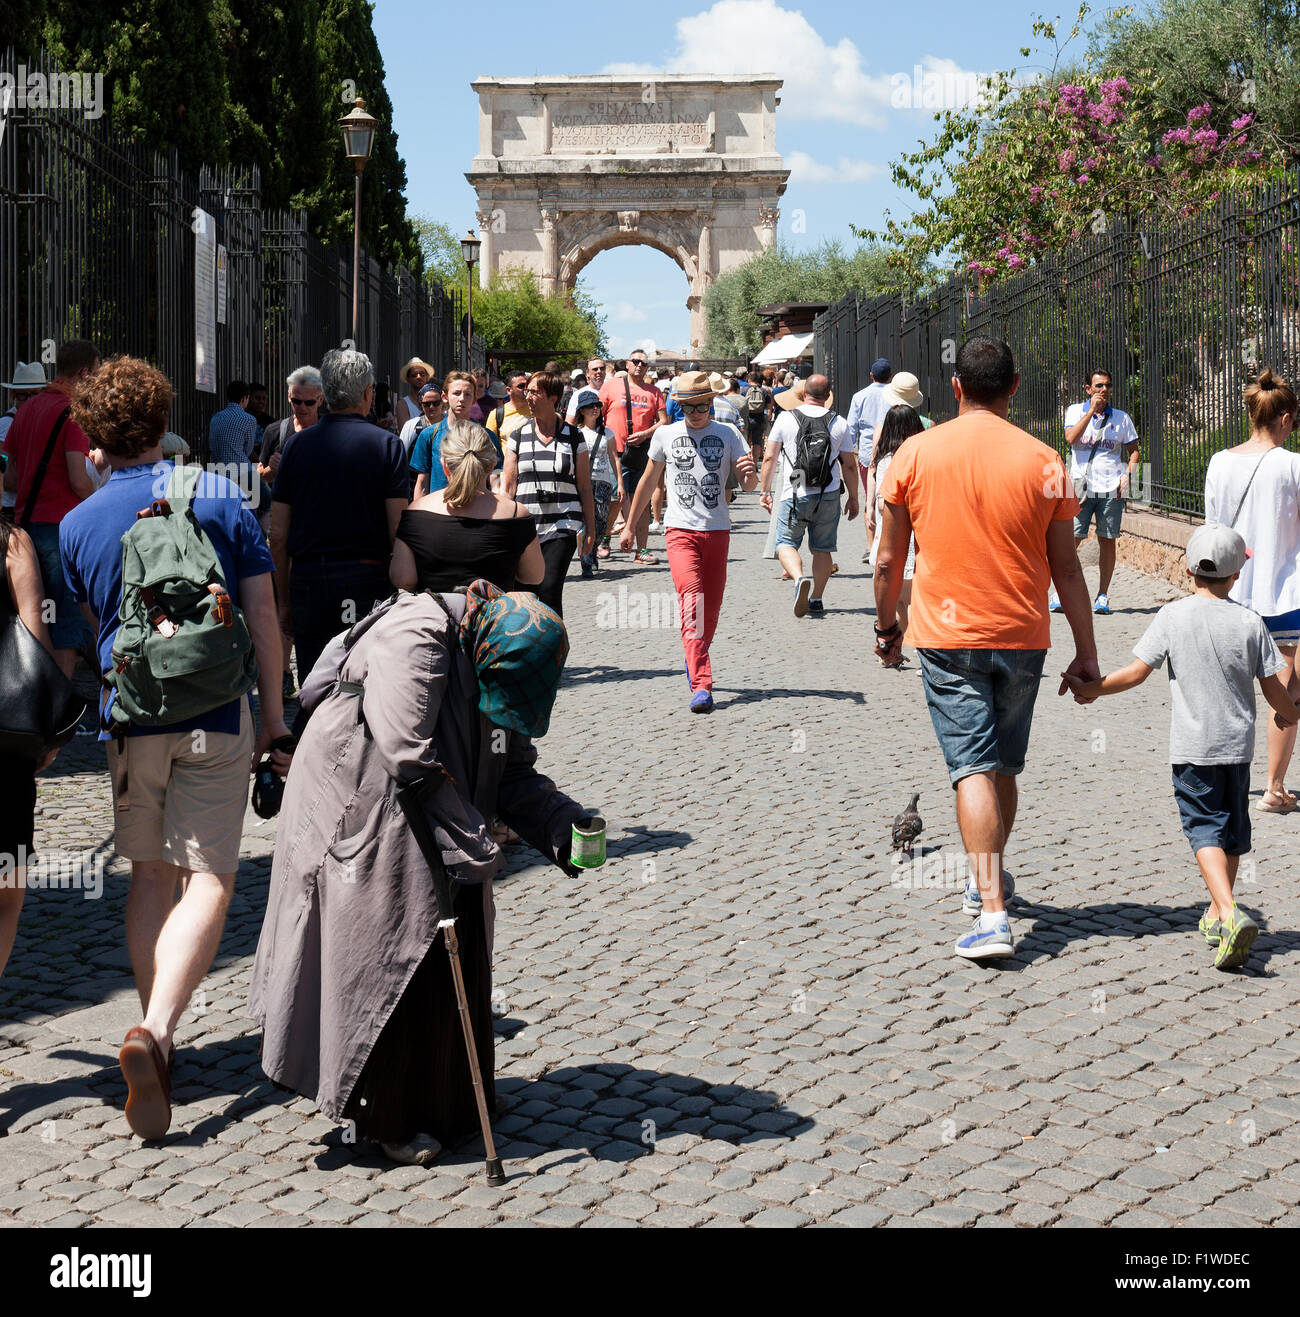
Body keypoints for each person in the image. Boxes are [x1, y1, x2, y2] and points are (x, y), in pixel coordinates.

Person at [250, 580, 591, 1166]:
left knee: (457, 925)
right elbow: (408, 753)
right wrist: (469, 843)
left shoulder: (490, 653)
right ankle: (387, 1115)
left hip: (429, 786)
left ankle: (456, 1099)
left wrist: (564, 826)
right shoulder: (420, 636)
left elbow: (511, 771)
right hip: (367, 788)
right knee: (387, 935)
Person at [60, 355, 292, 1140]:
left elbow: (100, 636)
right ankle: (157, 1032)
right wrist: (273, 719)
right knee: (211, 880)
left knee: (150, 873)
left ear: (94, 437)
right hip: (216, 713)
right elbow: (264, 618)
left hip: (131, 717)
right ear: (164, 422)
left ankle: (160, 1035)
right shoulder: (223, 496)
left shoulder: (76, 524)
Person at [874, 337, 1099, 960]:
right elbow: (1068, 570)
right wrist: (1086, 652)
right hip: (1023, 634)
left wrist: (887, 629)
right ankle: (985, 883)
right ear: (1016, 386)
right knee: (1002, 764)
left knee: (971, 765)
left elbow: (890, 558)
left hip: (947, 636)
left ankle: (991, 911)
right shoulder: (1047, 459)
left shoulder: (914, 454)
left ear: (955, 388)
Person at [1062, 526, 1300, 971]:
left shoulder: (1172, 617)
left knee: (1204, 828)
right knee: (1231, 831)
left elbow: (1135, 673)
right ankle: (1218, 913)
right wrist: (1290, 715)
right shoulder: (1251, 622)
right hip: (1237, 750)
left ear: (1189, 568)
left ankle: (1227, 912)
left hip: (1193, 749)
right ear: (1237, 573)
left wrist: (1092, 689)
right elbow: (1274, 689)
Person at [270, 348, 409, 690]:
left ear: (325, 394)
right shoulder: (388, 446)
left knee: (315, 682)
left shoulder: (296, 448)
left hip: (309, 579)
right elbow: (398, 527)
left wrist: (283, 601)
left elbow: (278, 533)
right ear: (367, 393)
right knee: (362, 682)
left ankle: (310, 740)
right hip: (367, 578)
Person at [620, 370, 757, 713]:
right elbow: (648, 481)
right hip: (679, 531)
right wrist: (628, 526)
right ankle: (702, 684)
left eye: (701, 407)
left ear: (712, 403)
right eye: (688, 408)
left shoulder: (729, 434)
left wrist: (750, 475)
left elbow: (749, 485)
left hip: (718, 530)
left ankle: (694, 654)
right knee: (692, 604)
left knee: (710, 611)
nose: (695, 414)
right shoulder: (666, 434)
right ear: (678, 407)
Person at [1204, 368, 1300, 813]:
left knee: (1228, 693)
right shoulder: (1293, 465)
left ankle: (1221, 783)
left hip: (1231, 593)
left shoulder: (1220, 462)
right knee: (1287, 691)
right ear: (1284, 419)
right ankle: (1273, 788)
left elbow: (1211, 531)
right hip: (1284, 594)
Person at [2, 339, 99, 677]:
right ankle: (58, 714)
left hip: (24, 532)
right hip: (62, 531)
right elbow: (78, 477)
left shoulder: (26, 409)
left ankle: (33, 705)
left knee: (35, 621)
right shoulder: (73, 413)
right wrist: (100, 501)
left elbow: (11, 480)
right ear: (85, 372)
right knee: (66, 625)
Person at [0, 521, 60, 981]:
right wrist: (46, 730)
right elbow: (34, 633)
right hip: (5, 739)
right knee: (5, 891)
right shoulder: (11, 544)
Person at [390, 421, 543, 594]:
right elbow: (534, 575)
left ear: (445, 466)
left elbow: (403, 579)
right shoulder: (516, 514)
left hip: (437, 616)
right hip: (492, 618)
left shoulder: (416, 511)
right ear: (491, 466)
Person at [760, 374, 858, 617]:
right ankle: (816, 598)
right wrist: (854, 497)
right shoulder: (839, 422)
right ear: (827, 397)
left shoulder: (785, 418)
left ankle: (798, 577)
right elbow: (849, 465)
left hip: (795, 490)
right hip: (828, 491)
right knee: (823, 548)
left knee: (785, 543)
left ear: (804, 394)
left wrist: (765, 490)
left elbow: (770, 457)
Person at [502, 372, 595, 617]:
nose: (528, 396)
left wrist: (591, 530)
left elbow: (585, 486)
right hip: (525, 524)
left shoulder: (574, 437)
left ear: (553, 397)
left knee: (550, 588)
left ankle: (554, 649)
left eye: (535, 392)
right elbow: (508, 486)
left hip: (563, 522)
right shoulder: (518, 437)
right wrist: (502, 525)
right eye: (527, 391)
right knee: (525, 591)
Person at [1050, 368, 1139, 615]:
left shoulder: (1121, 418)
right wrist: (1091, 411)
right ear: (1088, 389)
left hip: (1111, 487)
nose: (1104, 390)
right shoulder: (1074, 411)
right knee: (1073, 539)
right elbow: (1070, 438)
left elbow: (1134, 451)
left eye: (1107, 386)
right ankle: (1059, 591)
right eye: (1098, 386)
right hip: (1081, 484)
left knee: (1107, 540)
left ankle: (1102, 595)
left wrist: (1127, 475)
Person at [599, 349, 665, 565]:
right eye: (635, 361)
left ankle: (642, 550)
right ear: (627, 364)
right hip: (614, 453)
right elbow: (598, 414)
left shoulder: (654, 392)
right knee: (616, 500)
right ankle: (605, 539)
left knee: (642, 502)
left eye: (643, 364)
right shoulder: (611, 386)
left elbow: (664, 420)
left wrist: (645, 434)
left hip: (641, 453)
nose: (639, 365)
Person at [866, 405, 925, 639]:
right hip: (920, 531)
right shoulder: (924, 455)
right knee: (911, 599)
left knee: (902, 599)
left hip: (895, 535)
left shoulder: (887, 461)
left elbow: (883, 504)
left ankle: (919, 646)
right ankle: (907, 642)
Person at [571, 386, 622, 579]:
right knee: (585, 523)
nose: (595, 409)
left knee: (601, 523)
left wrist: (620, 484)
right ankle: (586, 560)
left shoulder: (607, 433)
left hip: (603, 481)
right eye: (590, 406)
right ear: (582, 410)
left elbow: (614, 458)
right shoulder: (576, 432)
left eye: (597, 405)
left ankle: (592, 550)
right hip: (582, 481)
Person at [411, 372, 477, 500]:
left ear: (474, 400)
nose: (462, 398)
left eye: (467, 394)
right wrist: (418, 516)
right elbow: (422, 483)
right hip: (439, 511)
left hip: (476, 512)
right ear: (444, 397)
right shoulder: (428, 435)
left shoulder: (486, 436)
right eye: (456, 393)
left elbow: (495, 480)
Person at [0, 362, 52, 523]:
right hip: (13, 511)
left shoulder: (45, 421)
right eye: (23, 395)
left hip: (35, 510)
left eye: (34, 394)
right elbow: (7, 479)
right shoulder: (6, 424)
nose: (29, 401)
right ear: (13, 396)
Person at [400, 383, 443, 461]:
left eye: (436, 403)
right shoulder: (411, 425)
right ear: (421, 403)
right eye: (427, 404)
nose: (431, 407)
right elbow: (402, 453)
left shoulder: (451, 423)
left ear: (442, 402)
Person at [487, 370, 530, 447]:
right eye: (521, 386)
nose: (526, 389)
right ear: (508, 390)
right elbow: (490, 445)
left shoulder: (537, 410)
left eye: (527, 385)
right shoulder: (496, 414)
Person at [394, 358, 434, 429]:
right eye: (414, 375)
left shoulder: (435, 402)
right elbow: (405, 434)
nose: (418, 377)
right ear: (408, 379)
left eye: (422, 374)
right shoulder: (403, 404)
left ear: (427, 377)